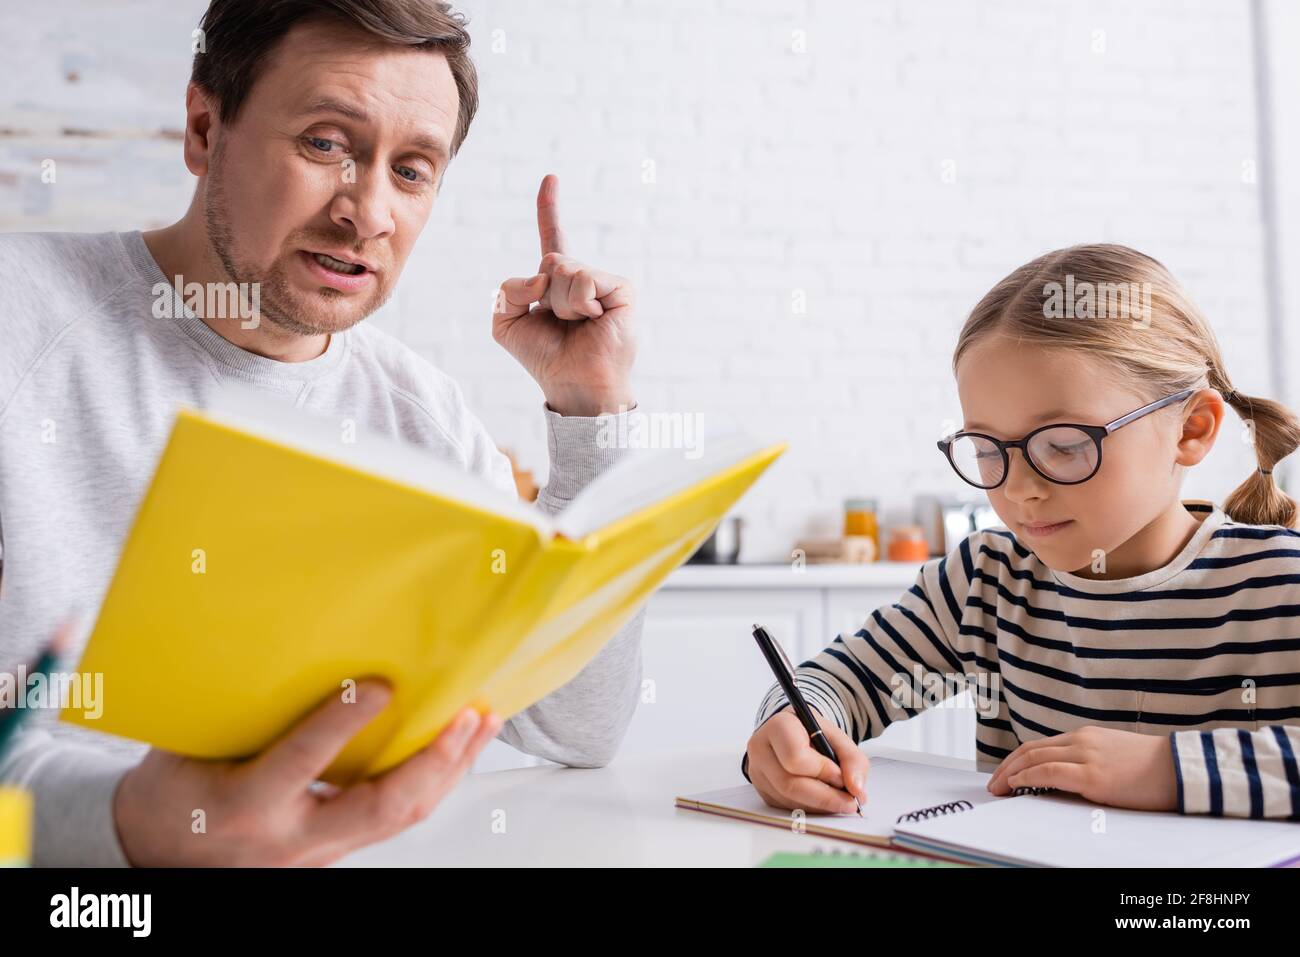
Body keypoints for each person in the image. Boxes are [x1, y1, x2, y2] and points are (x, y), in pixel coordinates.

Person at [0, 0, 644, 865]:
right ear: (203, 127)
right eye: (326, 143)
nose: (368, 212)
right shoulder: (20, 321)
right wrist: (131, 829)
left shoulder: (425, 418)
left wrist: (590, 412)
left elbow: (574, 726)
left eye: (412, 170)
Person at [745, 243, 1300, 820]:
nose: (1018, 490)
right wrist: (787, 733)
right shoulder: (987, 581)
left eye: (1063, 446)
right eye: (987, 450)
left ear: (1192, 429)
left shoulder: (1281, 585)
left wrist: (1165, 769)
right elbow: (841, 683)